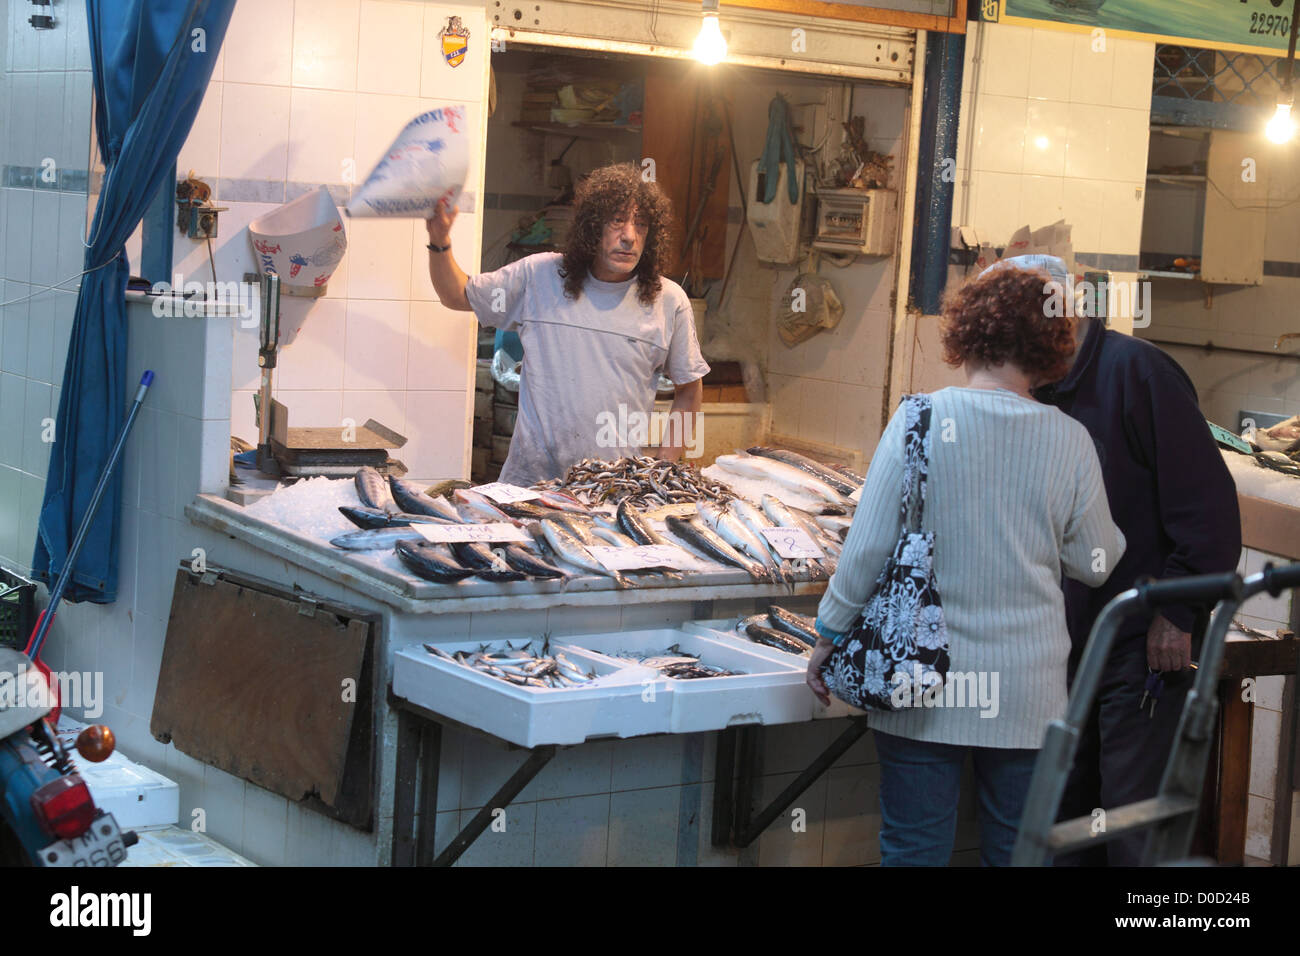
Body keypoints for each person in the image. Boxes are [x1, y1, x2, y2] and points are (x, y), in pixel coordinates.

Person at [806, 265, 1126, 867]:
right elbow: (1096, 563)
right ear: (1053, 346)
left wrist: (827, 634)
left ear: (969, 332)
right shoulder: (1071, 439)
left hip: (919, 679)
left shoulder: (918, 420)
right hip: (1027, 693)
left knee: (914, 848)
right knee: (1015, 853)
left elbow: (868, 550)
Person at [1002, 254, 1244, 867]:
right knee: (1065, 820)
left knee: (1132, 825)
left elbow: (1208, 511)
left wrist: (1179, 610)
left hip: (1140, 643)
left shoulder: (1140, 374)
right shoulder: (1035, 381)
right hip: (1059, 646)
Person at [424, 163, 709, 486]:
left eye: (641, 225)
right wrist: (440, 240)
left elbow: (689, 389)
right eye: (617, 221)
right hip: (528, 488)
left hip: (610, 491)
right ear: (591, 227)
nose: (629, 236)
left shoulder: (669, 301)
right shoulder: (539, 277)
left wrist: (664, 466)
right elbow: (456, 295)